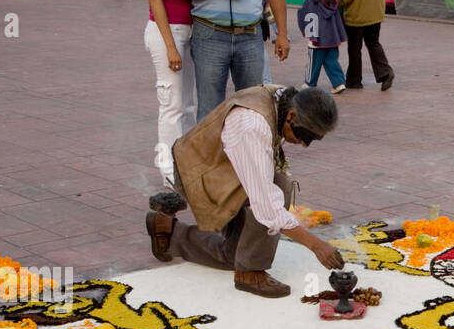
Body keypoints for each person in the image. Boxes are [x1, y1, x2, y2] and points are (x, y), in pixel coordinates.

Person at [145, 85, 345, 298]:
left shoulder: (284, 100)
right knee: (278, 188)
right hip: (197, 176)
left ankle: (169, 232)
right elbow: (267, 207)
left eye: (315, 139)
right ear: (292, 116)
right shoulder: (251, 126)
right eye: (306, 135)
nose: (305, 144)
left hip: (221, 169)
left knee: (236, 254)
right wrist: (316, 245)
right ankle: (250, 273)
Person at [178, 0, 291, 122]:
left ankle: (250, 143)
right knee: (210, 112)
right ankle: (213, 143)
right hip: (210, 33)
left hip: (250, 34)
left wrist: (282, 34)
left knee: (253, 107)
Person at [146, 0, 198, 185]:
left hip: (189, 30)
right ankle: (169, 173)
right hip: (167, 32)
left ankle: (186, 166)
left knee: (187, 105)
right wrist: (170, 47)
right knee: (171, 104)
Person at [337, 0, 393, 91]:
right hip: (375, 11)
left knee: (354, 47)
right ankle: (385, 72)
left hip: (359, 12)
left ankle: (354, 80)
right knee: (373, 43)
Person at [298, 0, 346, 93]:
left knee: (314, 62)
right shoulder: (333, 2)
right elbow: (339, 20)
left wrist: (305, 31)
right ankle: (339, 83)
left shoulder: (310, 2)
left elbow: (302, 17)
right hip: (332, 39)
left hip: (317, 39)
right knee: (332, 61)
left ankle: (310, 83)